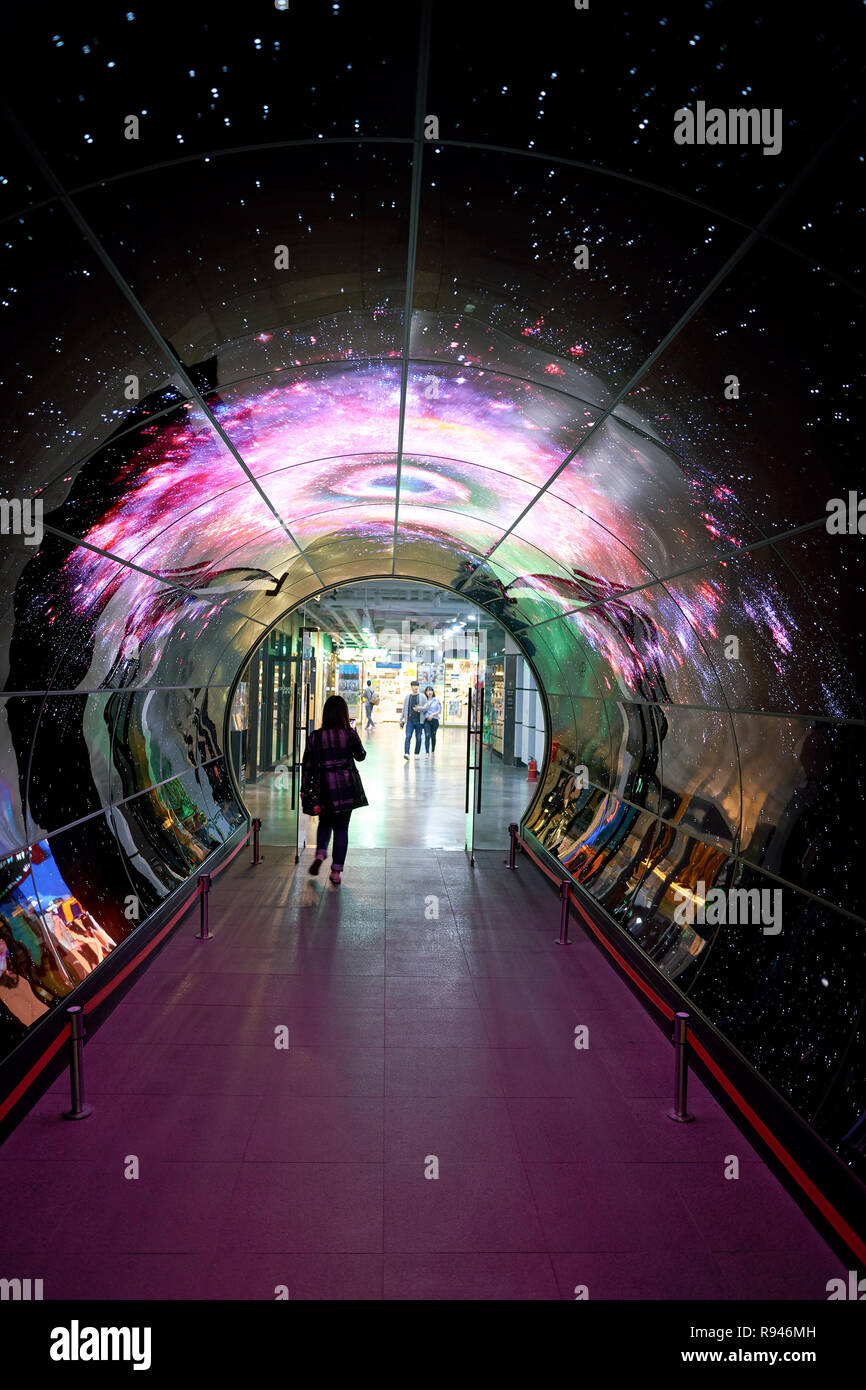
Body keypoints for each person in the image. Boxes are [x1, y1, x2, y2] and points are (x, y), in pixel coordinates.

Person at [301, 694, 368, 885]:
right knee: (341, 828)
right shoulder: (349, 734)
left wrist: (305, 788)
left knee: (324, 822)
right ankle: (336, 872)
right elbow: (361, 756)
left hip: (324, 788)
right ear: (344, 714)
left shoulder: (315, 737)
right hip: (346, 789)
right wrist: (354, 734)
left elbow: (307, 765)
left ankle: (320, 853)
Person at [399, 680, 427, 759]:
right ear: (411, 687)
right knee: (408, 736)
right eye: (414, 686)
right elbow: (404, 709)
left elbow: (426, 707)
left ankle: (416, 753)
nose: (415, 687)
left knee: (419, 738)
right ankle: (406, 753)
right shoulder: (407, 697)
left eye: (417, 686)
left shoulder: (422, 696)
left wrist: (419, 708)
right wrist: (401, 719)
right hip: (409, 721)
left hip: (419, 721)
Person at [422, 686, 442, 756]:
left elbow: (439, 711)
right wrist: (424, 707)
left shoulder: (436, 700)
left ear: (433, 692)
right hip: (427, 721)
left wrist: (432, 715)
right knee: (427, 735)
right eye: (427, 691)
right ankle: (427, 752)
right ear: (425, 692)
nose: (429, 692)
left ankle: (433, 750)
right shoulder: (424, 701)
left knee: (433, 736)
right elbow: (422, 711)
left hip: (434, 721)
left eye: (430, 690)